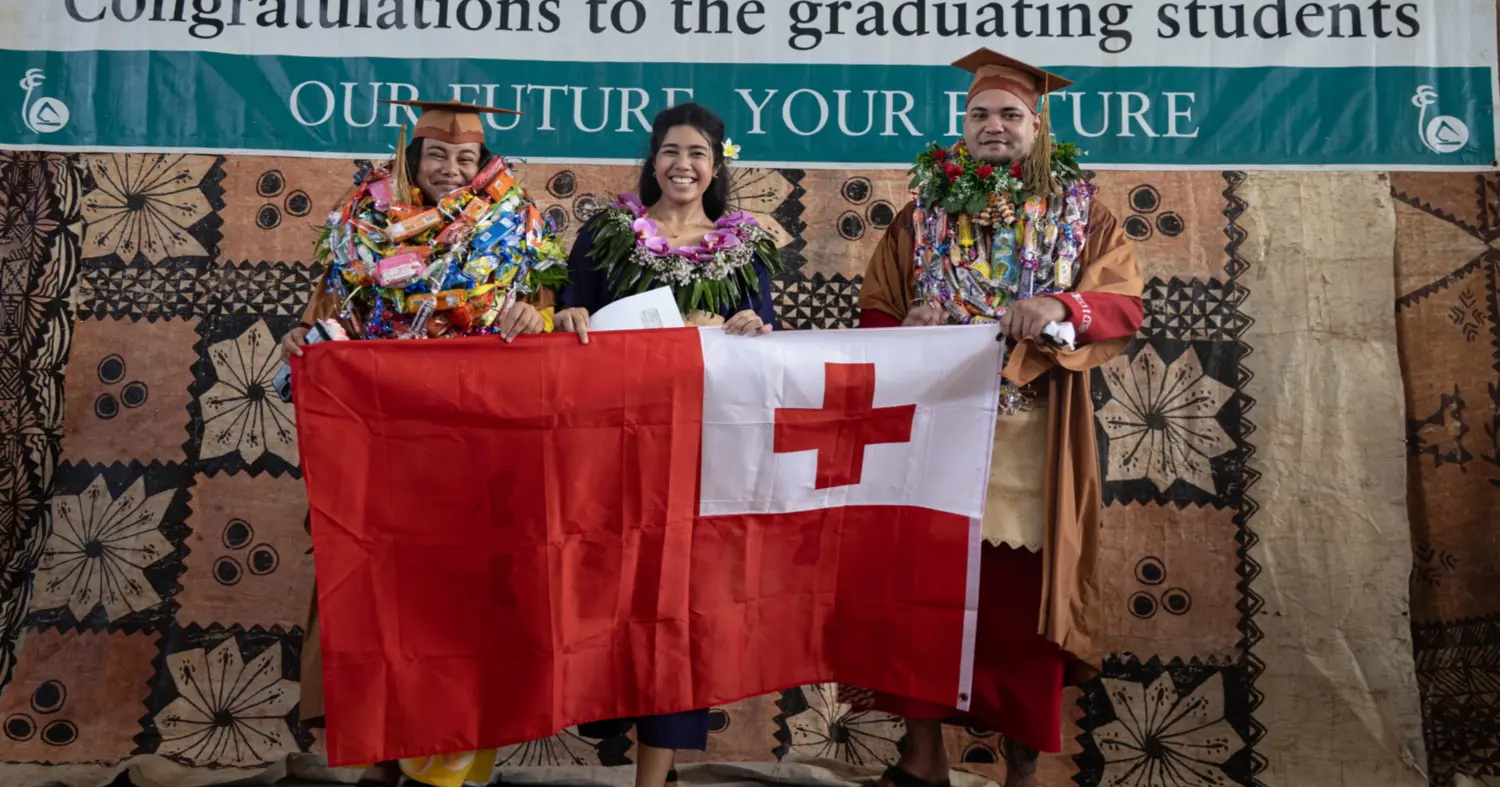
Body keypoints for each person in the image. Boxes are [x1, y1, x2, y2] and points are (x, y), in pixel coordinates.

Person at [852, 48, 1144, 787]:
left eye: (1010, 115)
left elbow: (1123, 304)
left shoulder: (1086, 216)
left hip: (1033, 438)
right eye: (979, 114)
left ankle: (1022, 769)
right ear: (963, 125)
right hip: (937, 433)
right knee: (925, 596)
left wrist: (1058, 305)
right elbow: (875, 313)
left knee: (1022, 610)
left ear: (1037, 126)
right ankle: (922, 761)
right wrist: (908, 329)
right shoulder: (922, 218)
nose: (992, 126)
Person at [282, 98, 585, 787]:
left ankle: (450, 760)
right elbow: (332, 310)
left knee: (460, 594)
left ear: (485, 163)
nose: (452, 169)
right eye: (437, 155)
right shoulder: (362, 218)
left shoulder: (519, 220)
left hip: (475, 441)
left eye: (467, 158)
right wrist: (307, 339)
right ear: (412, 158)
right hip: (380, 438)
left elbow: (543, 308)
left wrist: (530, 315)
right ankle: (379, 750)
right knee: (373, 589)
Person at [554, 102, 781, 787]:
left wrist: (753, 323)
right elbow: (568, 310)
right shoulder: (607, 232)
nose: (684, 165)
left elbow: (767, 335)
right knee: (611, 594)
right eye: (672, 152)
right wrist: (567, 314)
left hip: (701, 455)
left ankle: (655, 776)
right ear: (653, 160)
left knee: (681, 605)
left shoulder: (743, 246)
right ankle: (605, 720)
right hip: (613, 450)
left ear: (717, 167)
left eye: (699, 155)